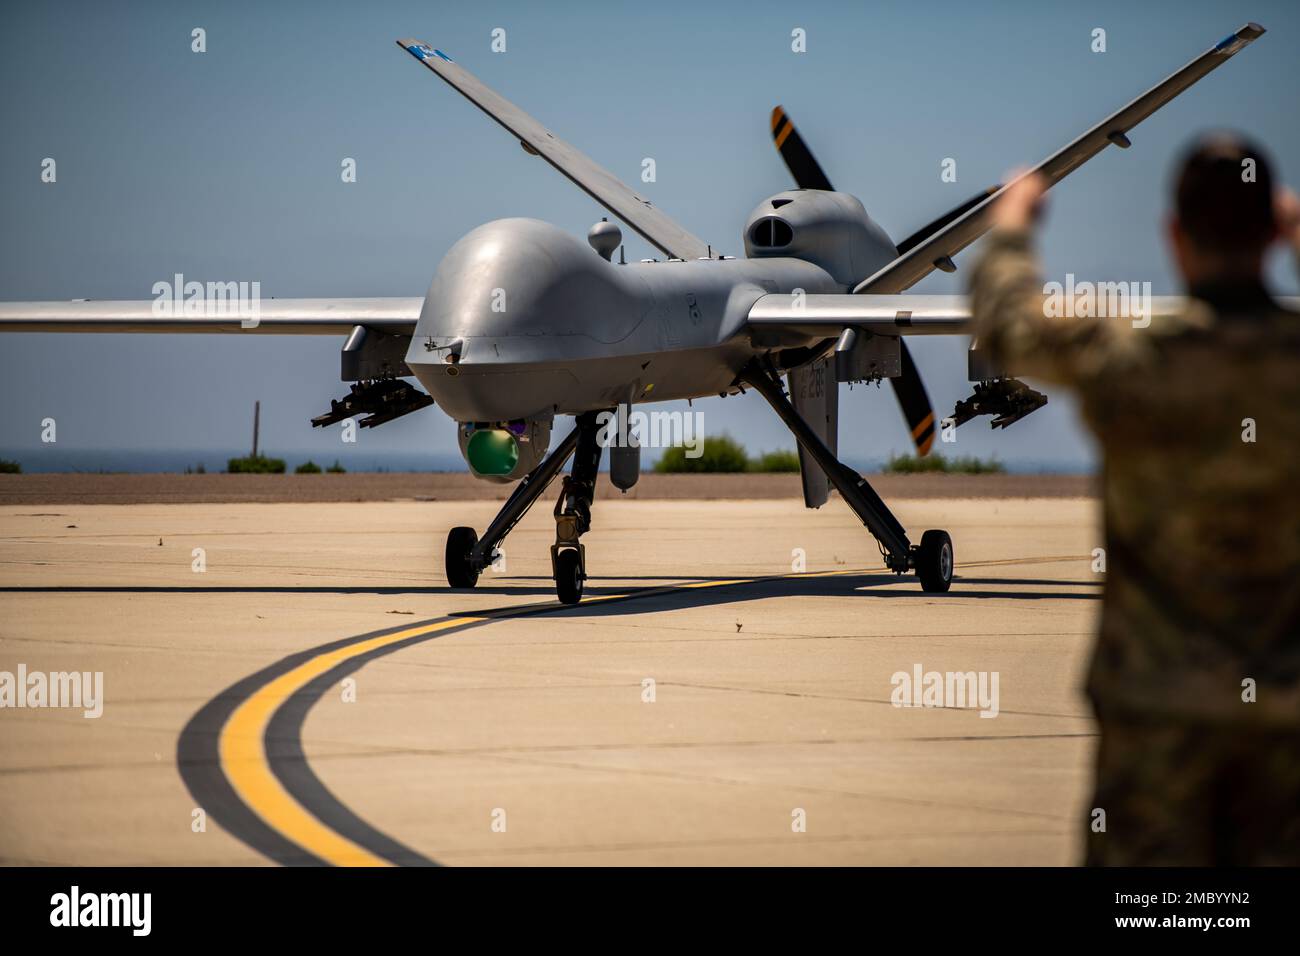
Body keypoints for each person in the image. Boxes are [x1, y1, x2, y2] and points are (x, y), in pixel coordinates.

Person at [967, 134, 1300, 865]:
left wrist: (1015, 223)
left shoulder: (1130, 358)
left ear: (1174, 236)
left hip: (1156, 722)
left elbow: (1006, 320)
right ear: (1276, 233)